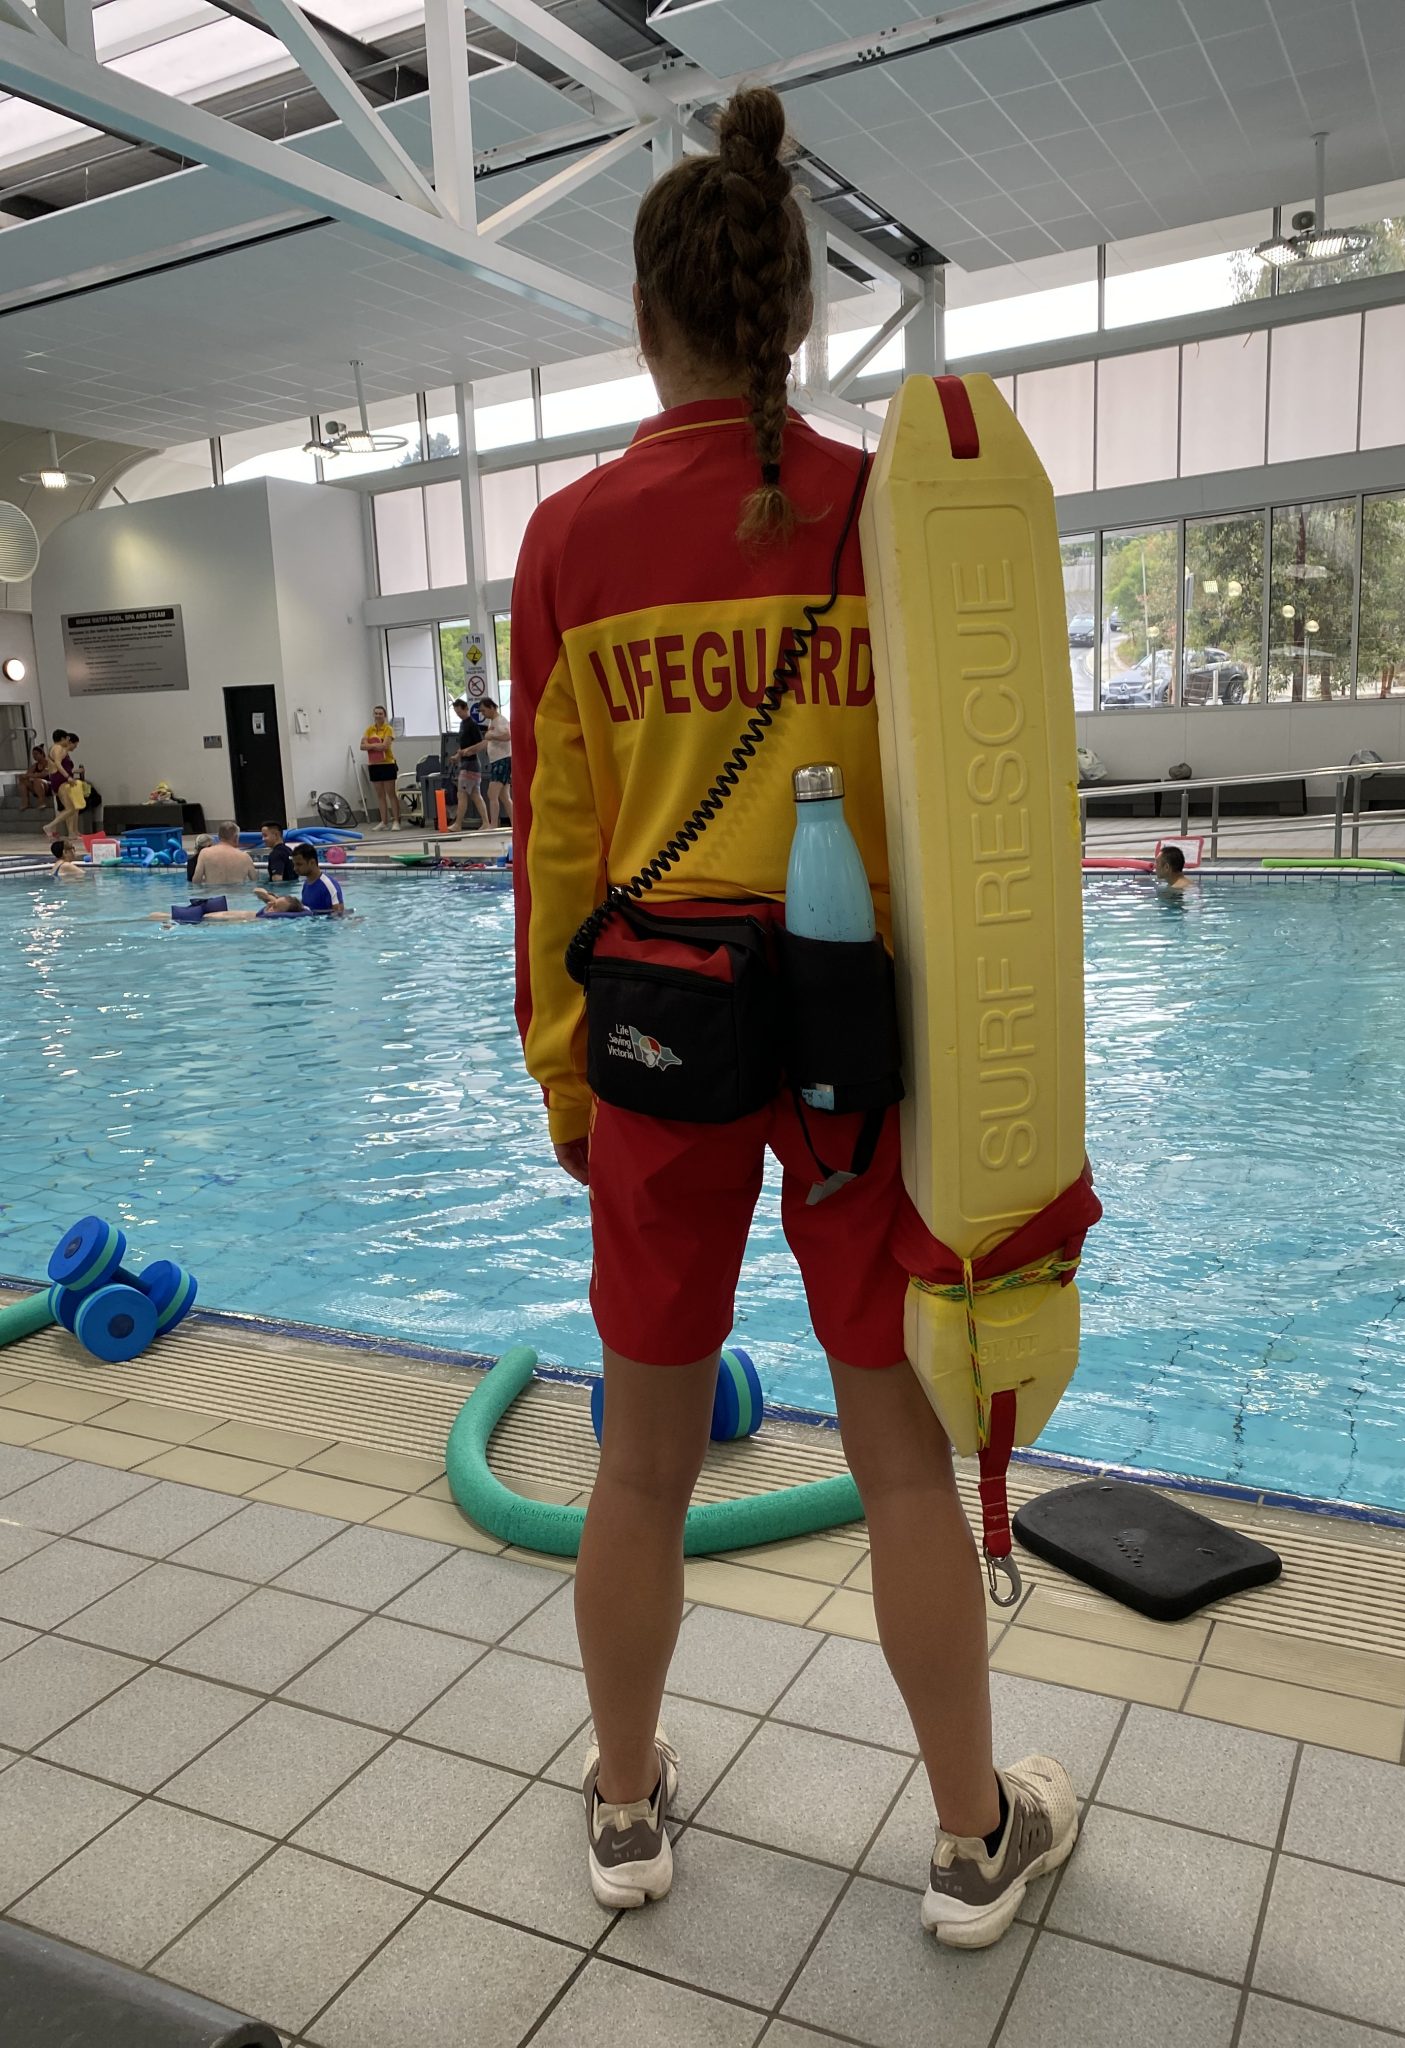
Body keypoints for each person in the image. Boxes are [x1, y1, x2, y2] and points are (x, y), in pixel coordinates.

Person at [511, 84, 1075, 1948]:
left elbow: (558, 836)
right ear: (796, 320)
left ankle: (621, 1805)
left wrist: (561, 1060)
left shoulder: (571, 542)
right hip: (855, 1050)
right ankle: (974, 1834)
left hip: (663, 1040)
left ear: (648, 320)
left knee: (643, 1457)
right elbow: (975, 804)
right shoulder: (894, 512)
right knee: (900, 1448)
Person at [254, 841, 344, 915]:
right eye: (294, 864)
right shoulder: (306, 883)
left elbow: (338, 914)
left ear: (312, 862)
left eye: (299, 864)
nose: (295, 868)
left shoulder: (328, 884)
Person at [447, 697, 490, 833]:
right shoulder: (463, 724)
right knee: (475, 794)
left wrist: (467, 752)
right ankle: (486, 822)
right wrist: (458, 755)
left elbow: (480, 744)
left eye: (459, 712)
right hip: (466, 762)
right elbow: (463, 745)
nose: (458, 715)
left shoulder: (472, 724)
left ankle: (458, 823)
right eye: (456, 713)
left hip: (470, 764)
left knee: (462, 794)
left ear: (466, 709)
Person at [361, 705, 402, 831]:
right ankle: (384, 821)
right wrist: (375, 746)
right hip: (374, 765)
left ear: (384, 715)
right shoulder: (369, 730)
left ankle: (396, 821)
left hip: (387, 764)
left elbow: (385, 746)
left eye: (380, 713)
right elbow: (362, 746)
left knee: (391, 793)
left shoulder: (388, 729)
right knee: (380, 795)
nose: (378, 715)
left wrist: (371, 745)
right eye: (376, 713)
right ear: (373, 715)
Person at [477, 697, 513, 830]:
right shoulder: (492, 722)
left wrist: (492, 736)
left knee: (492, 793)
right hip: (498, 760)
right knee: (504, 796)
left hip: (502, 760)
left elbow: (508, 736)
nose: (483, 714)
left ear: (492, 707)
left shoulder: (501, 720)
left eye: (484, 710)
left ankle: (492, 825)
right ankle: (516, 824)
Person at [191, 822, 256, 888]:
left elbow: (196, 881)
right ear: (236, 837)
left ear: (218, 836)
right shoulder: (245, 857)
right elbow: (255, 881)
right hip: (237, 896)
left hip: (214, 896)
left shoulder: (205, 853)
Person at [20, 743, 51, 811]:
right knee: (23, 780)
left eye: (36, 754)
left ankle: (41, 802)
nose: (34, 756)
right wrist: (30, 775)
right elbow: (26, 775)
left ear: (42, 754)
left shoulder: (48, 763)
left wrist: (33, 775)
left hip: (49, 786)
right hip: (37, 786)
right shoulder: (35, 765)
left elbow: (43, 774)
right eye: (33, 754)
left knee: (37, 780)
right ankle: (25, 802)